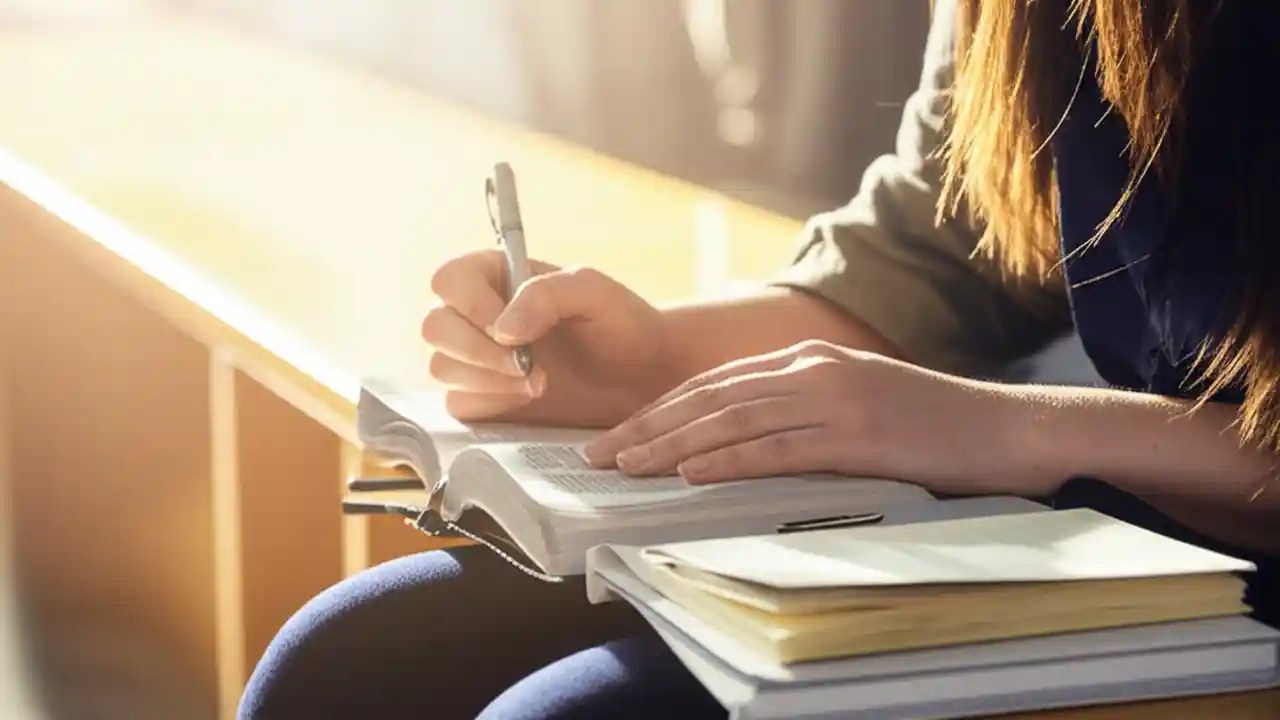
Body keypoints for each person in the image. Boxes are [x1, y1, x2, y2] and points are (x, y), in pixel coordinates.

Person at [239, 0, 1280, 717]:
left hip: (1223, 545)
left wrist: (999, 429)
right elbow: (944, 244)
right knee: (352, 665)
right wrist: (651, 355)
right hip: (1139, 513)